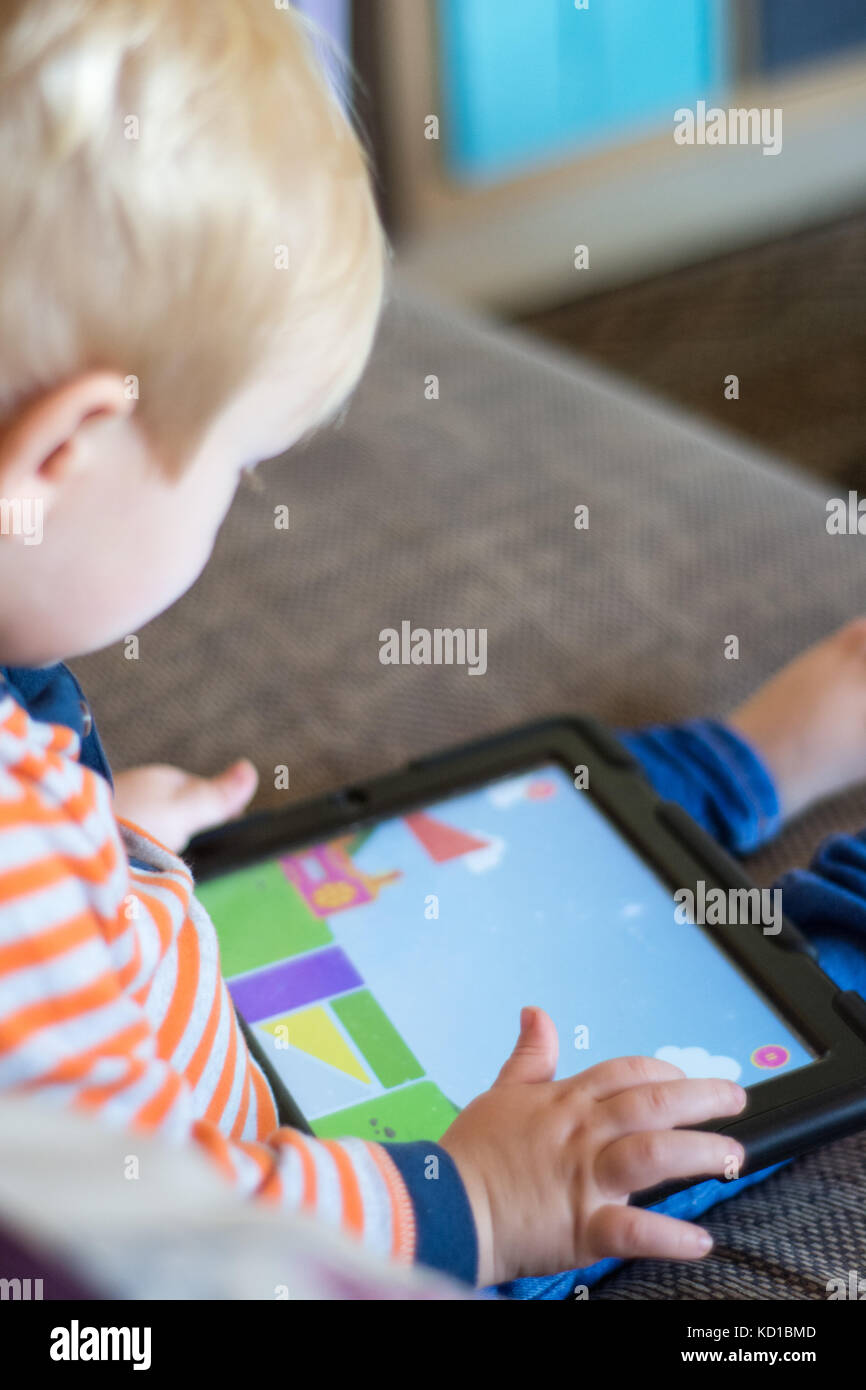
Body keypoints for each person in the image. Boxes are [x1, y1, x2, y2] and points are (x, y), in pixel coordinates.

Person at [1, 1, 864, 1298]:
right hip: (318, 1210)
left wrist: (107, 852)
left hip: (197, 1029)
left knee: (503, 831)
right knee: (689, 1075)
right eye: (238, 462)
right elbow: (171, 1235)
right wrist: (482, 1194)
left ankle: (738, 765)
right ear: (60, 457)